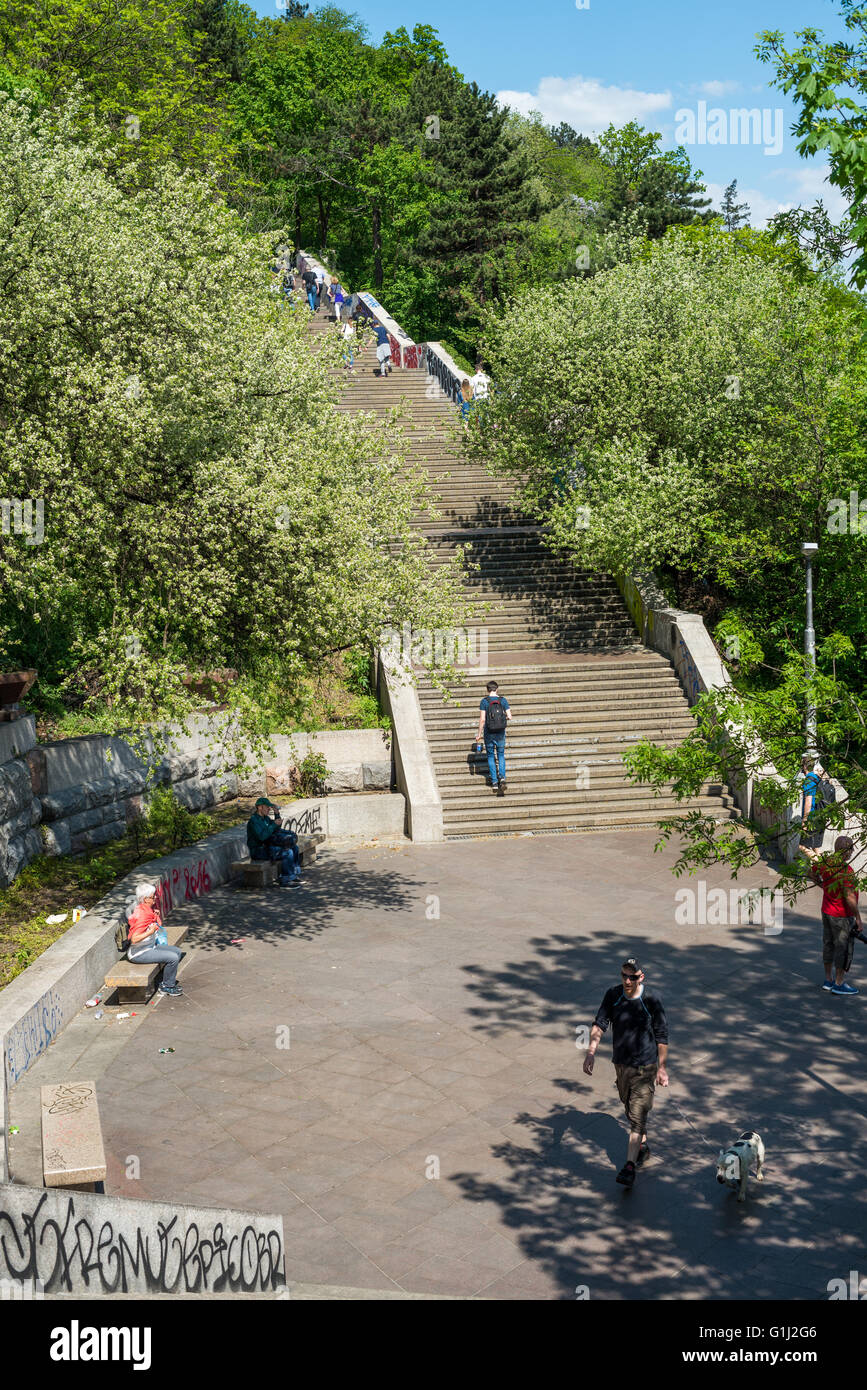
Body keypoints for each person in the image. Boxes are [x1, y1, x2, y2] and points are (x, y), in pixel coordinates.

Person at [583, 957, 669, 1188]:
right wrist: (591, 1052)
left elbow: (662, 1036)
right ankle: (642, 1146)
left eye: (632, 976)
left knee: (637, 1115)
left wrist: (661, 1068)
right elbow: (599, 1023)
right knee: (630, 1108)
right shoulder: (613, 995)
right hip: (621, 1065)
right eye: (624, 975)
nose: (627, 980)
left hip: (645, 1068)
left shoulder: (651, 999)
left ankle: (629, 1167)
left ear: (642, 977)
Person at [803, 835, 864, 995]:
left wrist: (823, 886)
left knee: (828, 944)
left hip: (826, 911)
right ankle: (839, 983)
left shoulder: (826, 863)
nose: (852, 853)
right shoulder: (846, 872)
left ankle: (828, 980)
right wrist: (858, 917)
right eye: (851, 849)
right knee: (842, 948)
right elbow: (849, 898)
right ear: (847, 852)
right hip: (842, 915)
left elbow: (811, 873)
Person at [126, 882, 184, 996]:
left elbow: (156, 925)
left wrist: (155, 916)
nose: (155, 898)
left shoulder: (146, 910)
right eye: (153, 896)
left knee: (177, 951)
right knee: (172, 958)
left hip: (149, 947)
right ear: (145, 899)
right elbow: (134, 939)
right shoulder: (142, 914)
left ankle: (166, 978)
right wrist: (150, 932)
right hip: (140, 953)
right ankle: (167, 986)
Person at [247, 797, 301, 886]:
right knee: (288, 852)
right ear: (260, 807)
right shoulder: (254, 821)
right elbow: (262, 837)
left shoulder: (265, 818)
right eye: (267, 807)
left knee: (294, 847)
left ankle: (292, 875)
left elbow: (275, 829)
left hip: (268, 846)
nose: (269, 809)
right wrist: (273, 825)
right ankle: (286, 880)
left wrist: (277, 814)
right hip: (258, 850)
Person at [476, 680, 511, 795]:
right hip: (500, 732)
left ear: (487, 689)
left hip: (489, 732)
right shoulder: (503, 700)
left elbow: (482, 720)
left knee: (491, 756)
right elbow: (510, 717)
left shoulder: (484, 701)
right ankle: (502, 778)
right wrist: (500, 720)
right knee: (501, 755)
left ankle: (495, 782)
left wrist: (479, 734)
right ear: (497, 689)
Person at [799, 756, 833, 849]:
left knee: (802, 847)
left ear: (805, 767)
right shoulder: (818, 778)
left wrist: (804, 821)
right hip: (821, 817)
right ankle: (823, 863)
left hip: (811, 819)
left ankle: (823, 864)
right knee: (815, 847)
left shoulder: (809, 780)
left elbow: (809, 802)